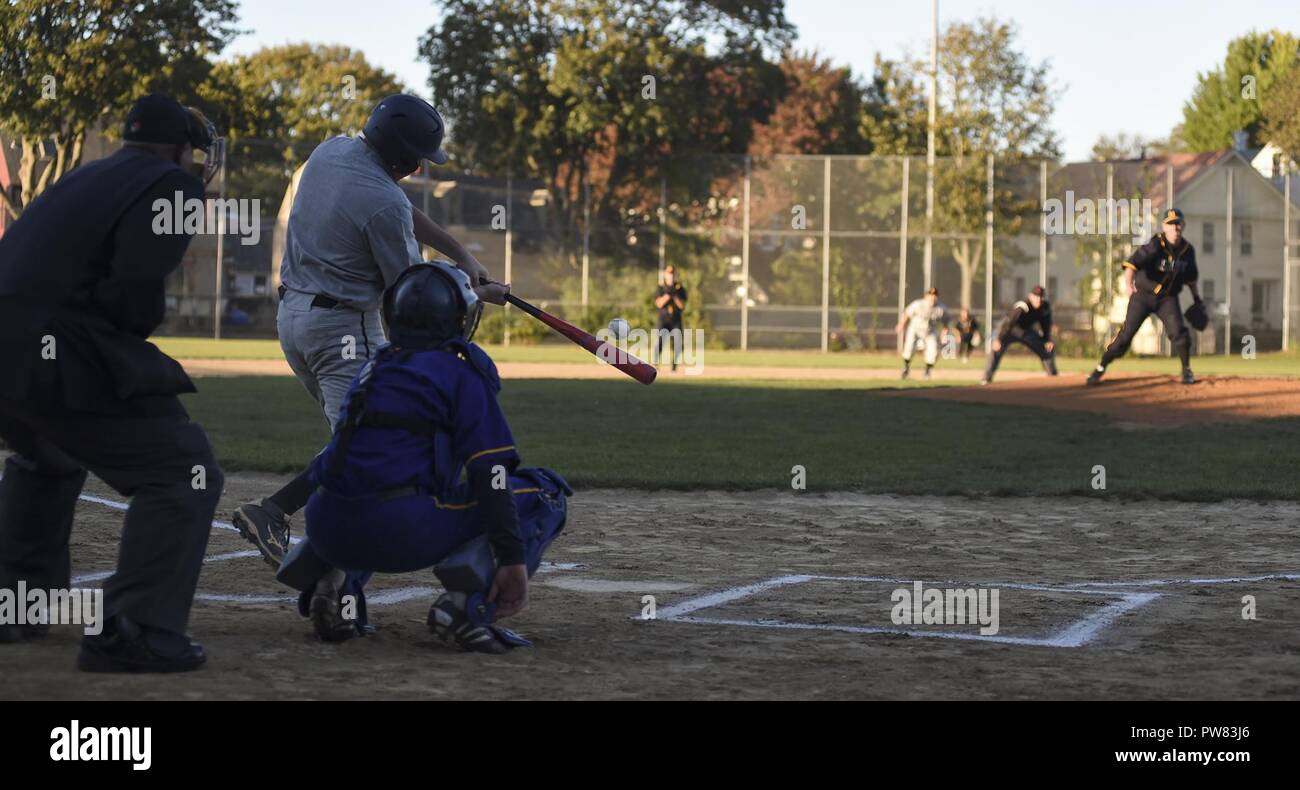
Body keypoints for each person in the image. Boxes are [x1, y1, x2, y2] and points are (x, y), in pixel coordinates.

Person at [232, 95, 509, 568]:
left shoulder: (331, 152)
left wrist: (461, 255)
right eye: (419, 157)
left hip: (294, 322)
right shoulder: (383, 205)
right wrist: (476, 292)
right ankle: (295, 536)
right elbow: (414, 296)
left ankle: (287, 521)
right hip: (343, 330)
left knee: (358, 441)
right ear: (403, 155)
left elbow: (394, 204)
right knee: (370, 452)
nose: (420, 167)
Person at [0, 94, 225, 672]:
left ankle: (16, 602)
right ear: (179, 149)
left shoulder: (87, 176)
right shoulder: (172, 185)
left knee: (46, 452)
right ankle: (134, 629)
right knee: (183, 470)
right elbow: (134, 283)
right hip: (49, 344)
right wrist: (126, 351)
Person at [273, 261, 570, 654]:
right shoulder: (460, 372)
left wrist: (278, 505)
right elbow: (489, 473)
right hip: (400, 528)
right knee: (546, 492)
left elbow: (329, 462)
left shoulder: (374, 370)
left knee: (367, 480)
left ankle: (337, 586)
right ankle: (464, 607)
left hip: (327, 527)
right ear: (457, 319)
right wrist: (513, 559)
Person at [1087, 208, 1202, 386]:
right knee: (1125, 336)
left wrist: (1197, 299)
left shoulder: (1188, 250)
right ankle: (1101, 367)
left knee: (1179, 333)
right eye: (1171, 224)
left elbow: (1191, 279)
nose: (1175, 227)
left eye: (1178, 223)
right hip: (1143, 296)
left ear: (1183, 226)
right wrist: (1128, 285)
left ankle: (1186, 370)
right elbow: (1132, 264)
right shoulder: (1155, 244)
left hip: (1167, 298)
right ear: (1164, 226)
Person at [981, 285, 1058, 385]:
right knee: (996, 349)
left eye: (1041, 296)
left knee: (1046, 348)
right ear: (1030, 296)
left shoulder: (1044, 307)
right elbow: (1008, 323)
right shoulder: (1022, 306)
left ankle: (1053, 377)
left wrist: (1047, 340)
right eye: (1036, 296)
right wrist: (998, 339)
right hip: (1009, 330)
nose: (1038, 299)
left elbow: (1045, 325)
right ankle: (986, 379)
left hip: (1026, 332)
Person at [896, 287, 952, 380]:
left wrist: (945, 332)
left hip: (930, 331)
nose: (933, 297)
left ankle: (927, 371)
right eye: (930, 295)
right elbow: (907, 313)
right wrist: (901, 324)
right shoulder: (918, 304)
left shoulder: (941, 308)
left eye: (935, 295)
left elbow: (946, 321)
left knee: (933, 352)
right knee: (909, 349)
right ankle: (906, 367)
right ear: (926, 296)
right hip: (915, 329)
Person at [653, 265, 687, 371]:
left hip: (676, 319)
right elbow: (658, 303)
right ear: (665, 275)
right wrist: (668, 294)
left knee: (678, 343)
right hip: (663, 319)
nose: (670, 276)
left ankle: (674, 366)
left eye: (672, 273)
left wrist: (675, 295)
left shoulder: (680, 289)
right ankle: (655, 364)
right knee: (660, 341)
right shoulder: (661, 288)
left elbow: (682, 305)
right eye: (669, 273)